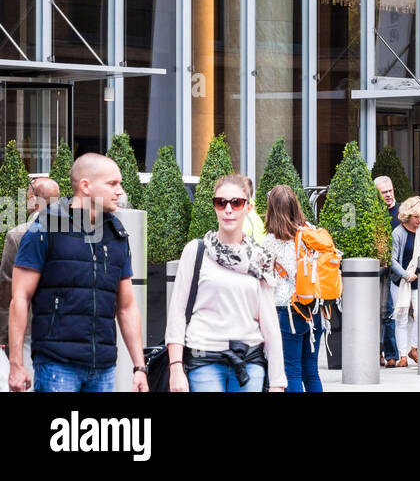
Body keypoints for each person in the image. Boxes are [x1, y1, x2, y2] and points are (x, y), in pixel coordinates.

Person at [7, 154, 147, 392]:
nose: (120, 191)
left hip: (103, 367)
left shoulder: (117, 234)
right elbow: (20, 298)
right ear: (85, 186)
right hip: (56, 364)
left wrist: (139, 367)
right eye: (112, 184)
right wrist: (16, 363)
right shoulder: (45, 228)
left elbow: (126, 306)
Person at [166, 174, 286, 391]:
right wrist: (175, 368)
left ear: (247, 207)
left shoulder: (260, 258)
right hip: (204, 359)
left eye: (236, 202)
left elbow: (269, 322)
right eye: (220, 203)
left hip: (249, 361)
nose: (228, 209)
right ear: (214, 207)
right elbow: (177, 312)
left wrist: (277, 381)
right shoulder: (196, 251)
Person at [263, 185, 323, 392]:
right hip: (314, 308)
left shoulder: (270, 242)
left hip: (287, 310)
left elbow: (266, 280)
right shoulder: (311, 233)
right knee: (311, 371)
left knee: (291, 370)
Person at [1, 177, 60, 365]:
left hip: (30, 327)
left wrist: (3, 334)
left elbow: (6, 287)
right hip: (66, 327)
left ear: (34, 199)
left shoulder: (18, 235)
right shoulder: (76, 232)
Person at [390, 196, 420, 367]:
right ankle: (402, 356)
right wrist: (406, 275)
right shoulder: (398, 233)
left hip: (418, 280)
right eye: (416, 217)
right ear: (407, 215)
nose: (419, 220)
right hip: (400, 281)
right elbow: (392, 260)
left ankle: (413, 348)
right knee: (401, 318)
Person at [374, 176, 400, 368]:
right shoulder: (372, 213)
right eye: (384, 192)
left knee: (389, 312)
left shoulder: (401, 213)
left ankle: (392, 354)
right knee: (376, 312)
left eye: (390, 191)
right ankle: (377, 353)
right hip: (378, 269)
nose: (389, 195)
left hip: (396, 270)